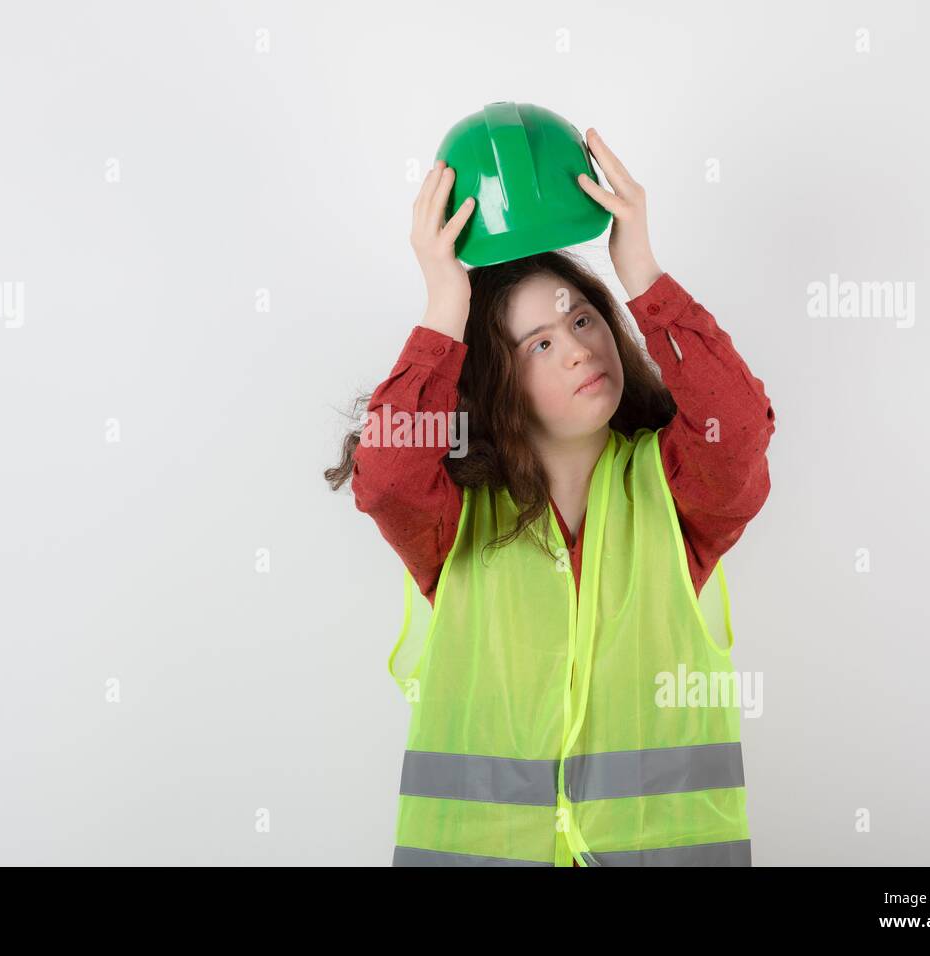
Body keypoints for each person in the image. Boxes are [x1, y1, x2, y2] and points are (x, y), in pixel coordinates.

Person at [325, 130, 776, 866]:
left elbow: (740, 433)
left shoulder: (675, 493)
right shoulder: (455, 518)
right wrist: (446, 303)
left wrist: (641, 272)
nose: (575, 348)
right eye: (537, 344)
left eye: (581, 319)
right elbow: (388, 478)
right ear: (497, 384)